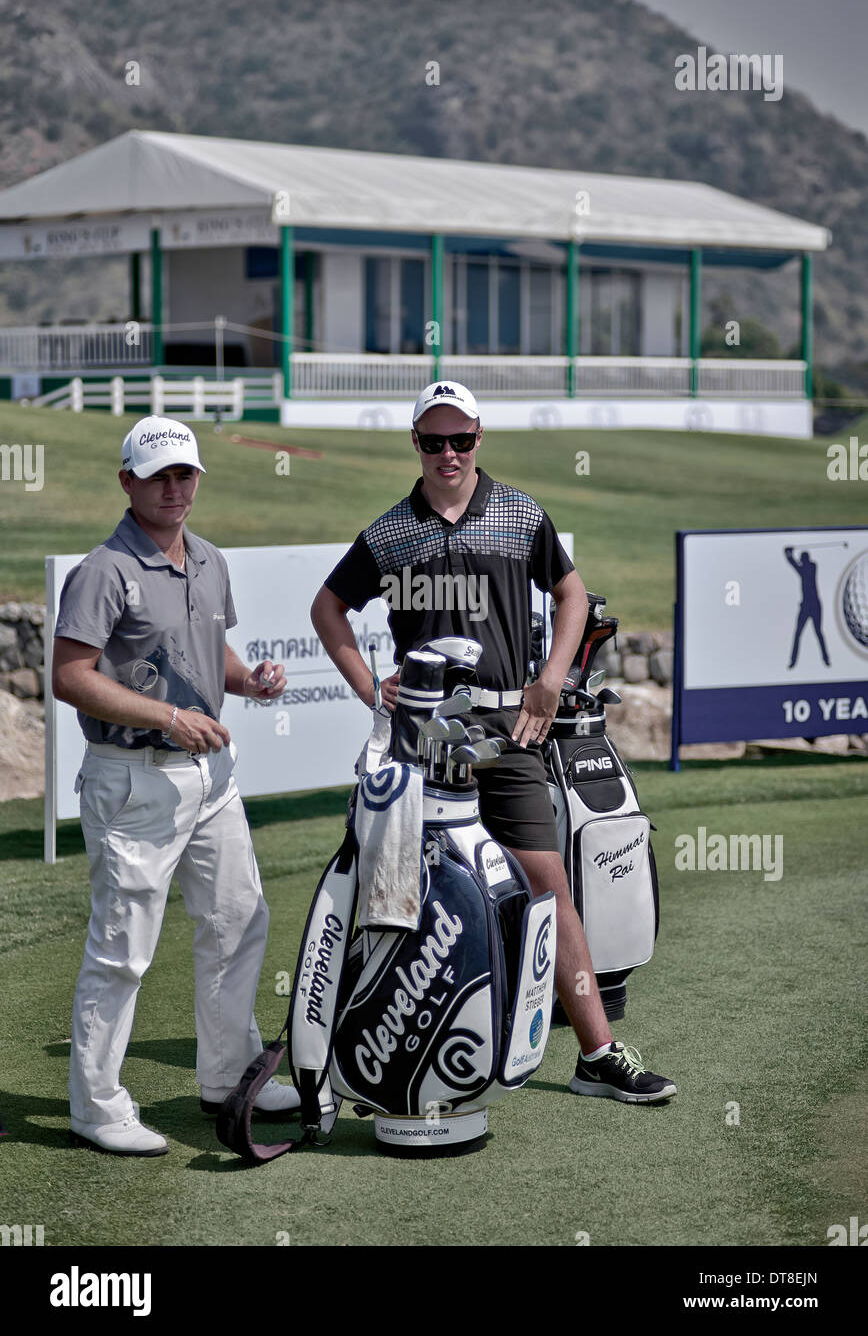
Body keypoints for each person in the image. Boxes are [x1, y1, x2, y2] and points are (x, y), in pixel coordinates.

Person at [311, 381, 676, 1105]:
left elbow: (571, 594)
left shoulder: (520, 513)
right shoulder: (390, 532)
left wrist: (551, 680)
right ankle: (368, 1046)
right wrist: (366, 685)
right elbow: (328, 607)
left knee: (548, 885)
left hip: (508, 734)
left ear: (480, 437)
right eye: (432, 440)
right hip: (420, 740)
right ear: (415, 442)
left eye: (461, 439)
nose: (448, 453)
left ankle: (597, 1054)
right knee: (398, 889)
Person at [53, 416, 299, 1156]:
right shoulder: (103, 570)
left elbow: (206, 647)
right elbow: (71, 678)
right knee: (123, 950)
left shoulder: (210, 561)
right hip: (133, 781)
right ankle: (95, 1106)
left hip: (210, 777)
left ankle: (226, 1077)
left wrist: (248, 681)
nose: (174, 488)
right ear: (126, 481)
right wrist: (168, 716)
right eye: (157, 475)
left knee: (235, 920)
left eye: (184, 474)